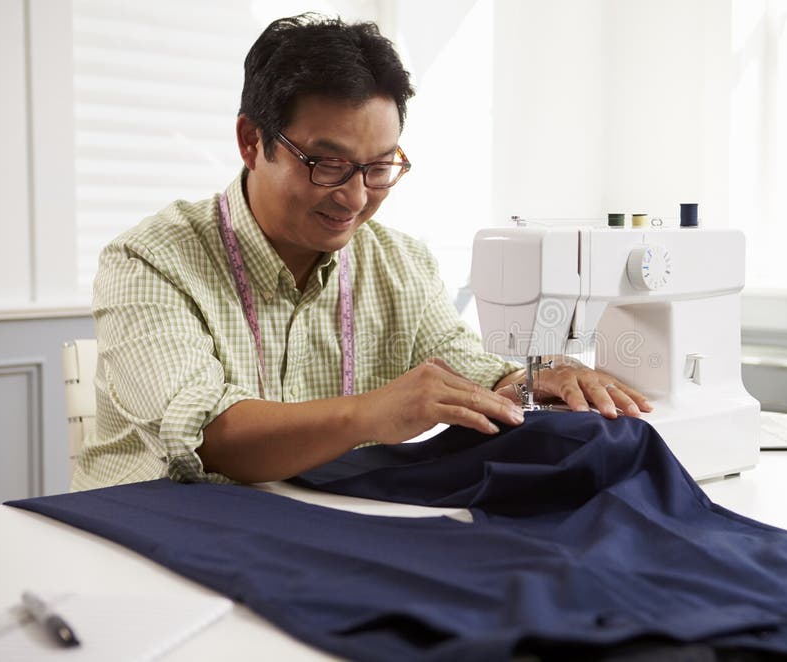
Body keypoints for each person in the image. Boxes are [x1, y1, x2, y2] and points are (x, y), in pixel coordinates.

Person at [72, 14, 650, 491]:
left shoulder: (399, 263)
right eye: (327, 164)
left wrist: (532, 379)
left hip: (314, 531)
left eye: (379, 167)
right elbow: (211, 441)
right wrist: (372, 413)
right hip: (148, 543)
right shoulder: (148, 262)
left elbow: (462, 363)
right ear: (252, 141)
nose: (354, 197)